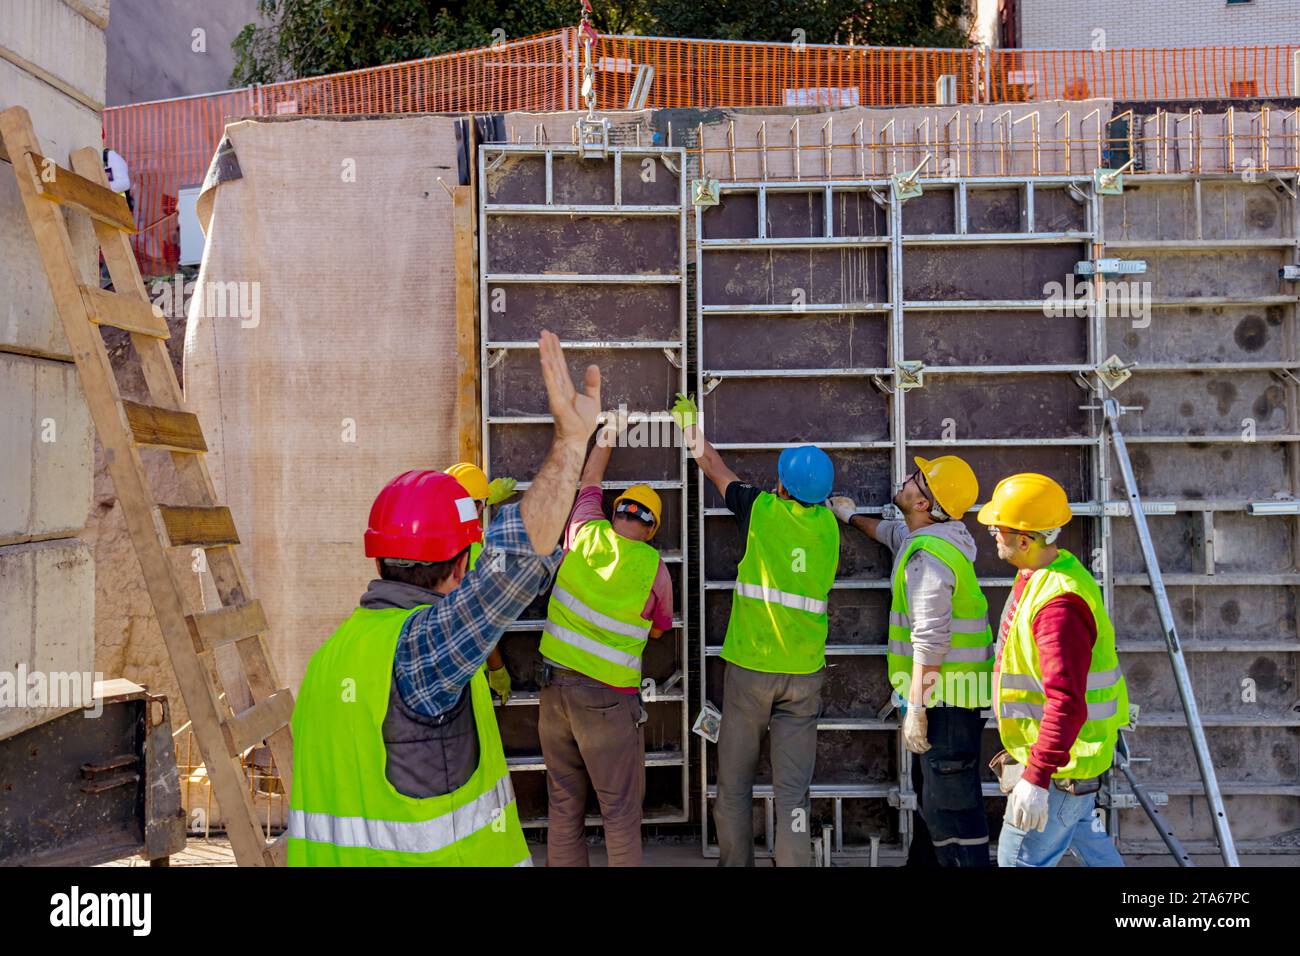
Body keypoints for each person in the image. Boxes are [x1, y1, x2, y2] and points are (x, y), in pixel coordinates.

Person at [287, 331, 600, 865]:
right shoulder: (418, 653)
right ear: (461, 567)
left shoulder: (331, 659)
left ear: (378, 559)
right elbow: (512, 568)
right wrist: (572, 445)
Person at [670, 393, 839, 867]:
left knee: (734, 784)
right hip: (804, 675)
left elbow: (713, 466)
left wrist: (689, 426)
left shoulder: (760, 510)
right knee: (793, 796)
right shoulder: (829, 528)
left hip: (750, 669)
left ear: (782, 488)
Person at [830, 455, 993, 867]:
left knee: (952, 814)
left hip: (945, 704)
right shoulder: (930, 539)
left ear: (924, 503)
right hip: (951, 701)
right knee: (932, 804)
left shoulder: (928, 561)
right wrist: (850, 518)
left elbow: (930, 641)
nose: (907, 479)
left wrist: (916, 709)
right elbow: (889, 532)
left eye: (917, 479)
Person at [537, 423, 674, 866]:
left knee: (563, 809)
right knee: (619, 815)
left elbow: (590, 478)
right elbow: (658, 630)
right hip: (608, 704)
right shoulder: (655, 570)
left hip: (554, 694)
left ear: (616, 511)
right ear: (651, 529)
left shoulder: (583, 531)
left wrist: (609, 434)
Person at [977, 473, 1129, 867]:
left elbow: (1067, 702)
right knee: (1096, 854)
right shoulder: (1042, 573)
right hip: (1072, 769)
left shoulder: (1058, 605)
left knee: (1019, 862)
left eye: (999, 528)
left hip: (1060, 773)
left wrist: (1036, 777)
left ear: (1025, 540)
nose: (992, 533)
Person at [445, 461, 517, 703]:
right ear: (474, 507)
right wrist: (496, 669)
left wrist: (484, 498)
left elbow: (460, 524)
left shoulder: (431, 536)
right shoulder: (473, 556)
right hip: (465, 671)